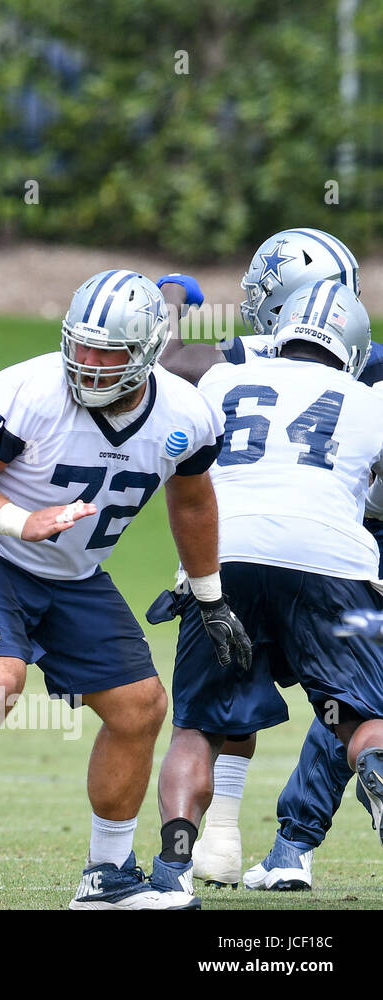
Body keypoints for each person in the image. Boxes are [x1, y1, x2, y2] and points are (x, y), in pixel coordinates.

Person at [0, 270, 247, 910]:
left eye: (108, 352)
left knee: (140, 706)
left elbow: (191, 501)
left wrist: (210, 594)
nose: (88, 363)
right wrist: (22, 520)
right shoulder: (29, 388)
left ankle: (107, 877)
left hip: (72, 573)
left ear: (146, 353)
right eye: (80, 345)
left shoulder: (186, 413)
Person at [155, 227, 383, 889]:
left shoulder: (227, 369)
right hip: (332, 557)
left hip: (223, 555)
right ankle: (371, 762)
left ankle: (173, 868)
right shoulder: (367, 391)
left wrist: (172, 299)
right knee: (360, 714)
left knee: (198, 724)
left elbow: (164, 374)